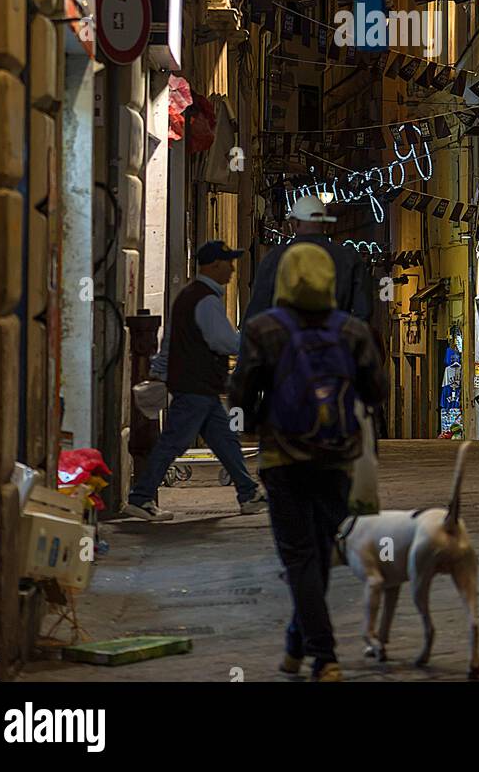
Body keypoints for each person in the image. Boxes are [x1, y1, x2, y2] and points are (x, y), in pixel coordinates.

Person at [229, 241, 386, 681]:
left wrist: (253, 423)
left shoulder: (263, 329)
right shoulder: (352, 332)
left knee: (300, 556)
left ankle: (323, 654)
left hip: (283, 457)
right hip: (337, 458)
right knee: (319, 553)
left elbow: (241, 391)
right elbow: (376, 391)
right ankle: (297, 646)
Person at [122, 241, 267, 520]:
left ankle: (248, 494)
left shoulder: (187, 296)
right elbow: (223, 341)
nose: (233, 269)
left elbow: (170, 343)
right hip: (195, 387)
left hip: (199, 387)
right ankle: (140, 498)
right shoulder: (206, 300)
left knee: (225, 441)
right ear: (214, 265)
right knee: (173, 443)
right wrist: (254, 342)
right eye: (228, 263)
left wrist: (161, 371)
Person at [243, 194, 373, 326]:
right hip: (332, 341)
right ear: (325, 224)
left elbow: (257, 311)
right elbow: (363, 310)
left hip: (287, 343)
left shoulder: (275, 258)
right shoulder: (348, 258)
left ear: (295, 223)